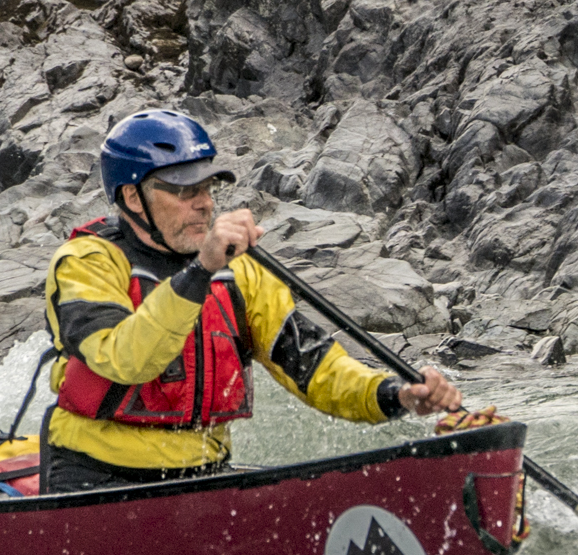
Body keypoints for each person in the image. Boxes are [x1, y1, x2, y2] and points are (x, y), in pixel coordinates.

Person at [40, 109, 461, 492]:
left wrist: (396, 395)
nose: (205, 203)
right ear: (134, 198)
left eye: (206, 187)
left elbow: (314, 368)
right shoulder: (85, 263)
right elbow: (127, 360)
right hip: (94, 476)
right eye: (185, 191)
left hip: (205, 475)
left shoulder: (239, 272)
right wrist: (199, 272)